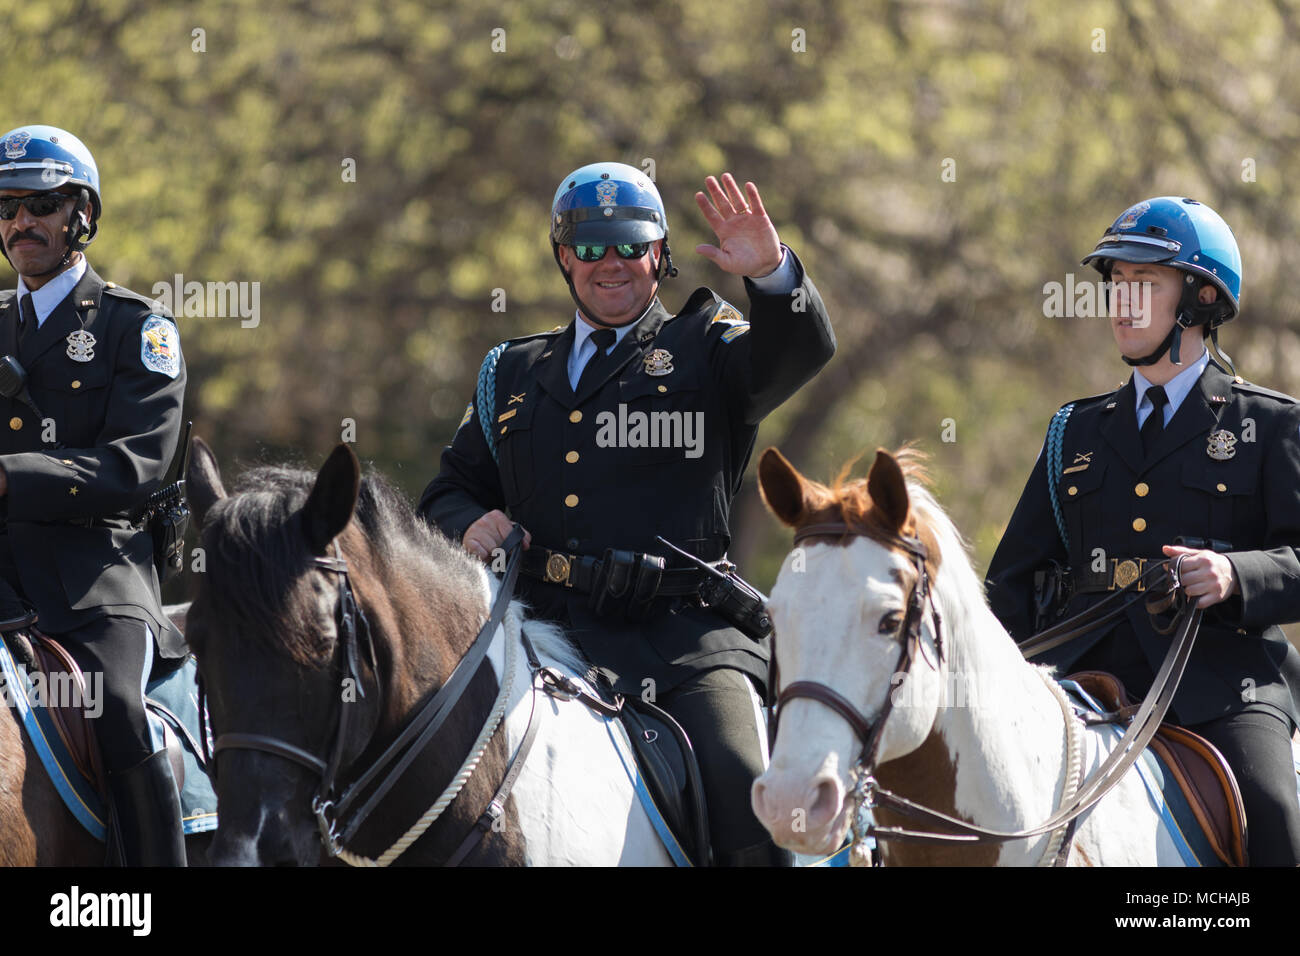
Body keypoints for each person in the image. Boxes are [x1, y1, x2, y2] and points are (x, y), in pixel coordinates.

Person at [419, 162, 835, 865]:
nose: (610, 263)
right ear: (562, 258)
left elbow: (797, 353)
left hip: (681, 648)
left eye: (629, 245)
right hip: (538, 635)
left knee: (750, 818)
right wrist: (470, 522)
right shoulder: (512, 372)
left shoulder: (708, 346)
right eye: (589, 248)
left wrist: (772, 275)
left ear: (659, 255)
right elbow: (446, 490)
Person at [986, 196, 1300, 865]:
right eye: (1118, 285)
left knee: (1274, 810)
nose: (1123, 304)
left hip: (1217, 681)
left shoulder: (1270, 425)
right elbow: (1010, 581)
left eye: (1146, 285)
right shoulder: (1076, 429)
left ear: (1201, 300)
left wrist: (1235, 575)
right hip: (1078, 672)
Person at [0, 125, 187, 865]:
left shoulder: (136, 328)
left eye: (42, 203)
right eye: (8, 205)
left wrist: (12, 476)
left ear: (82, 215)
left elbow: (136, 464)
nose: (22, 223)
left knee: (111, 705)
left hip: (94, 580)